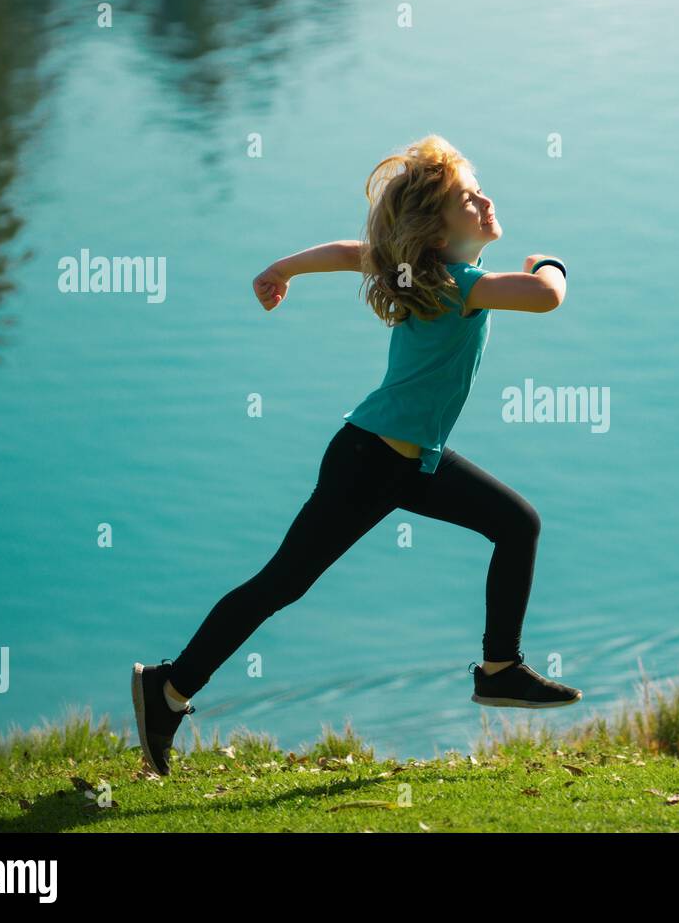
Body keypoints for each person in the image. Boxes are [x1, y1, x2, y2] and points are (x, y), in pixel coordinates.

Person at [131, 134, 580, 776]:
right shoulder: (458, 284)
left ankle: (500, 668)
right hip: (370, 463)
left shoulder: (417, 270)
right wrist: (551, 263)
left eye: (477, 189)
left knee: (517, 523)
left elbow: (351, 252)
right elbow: (544, 298)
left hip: (409, 460)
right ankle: (167, 689)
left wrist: (281, 269)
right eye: (465, 198)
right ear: (435, 227)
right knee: (280, 583)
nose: (483, 200)